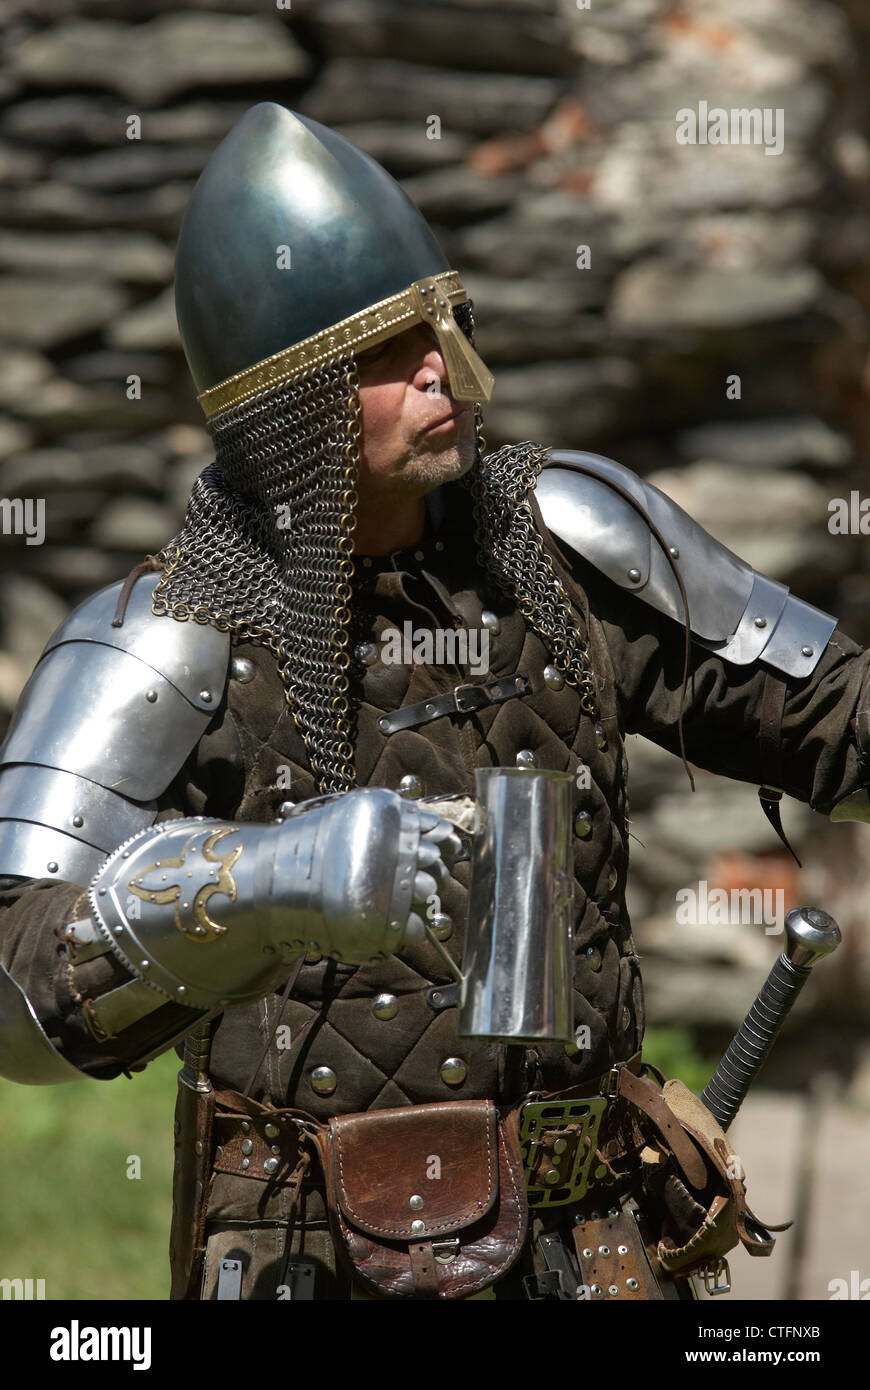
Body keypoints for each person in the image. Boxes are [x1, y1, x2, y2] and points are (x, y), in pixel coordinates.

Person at [1, 103, 869, 1302]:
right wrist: (258, 889)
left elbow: (836, 722)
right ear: (283, 404)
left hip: (602, 1249)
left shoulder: (562, 547)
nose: (436, 364)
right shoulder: (172, 639)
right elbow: (12, 994)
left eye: (439, 324)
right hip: (321, 1257)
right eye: (378, 350)